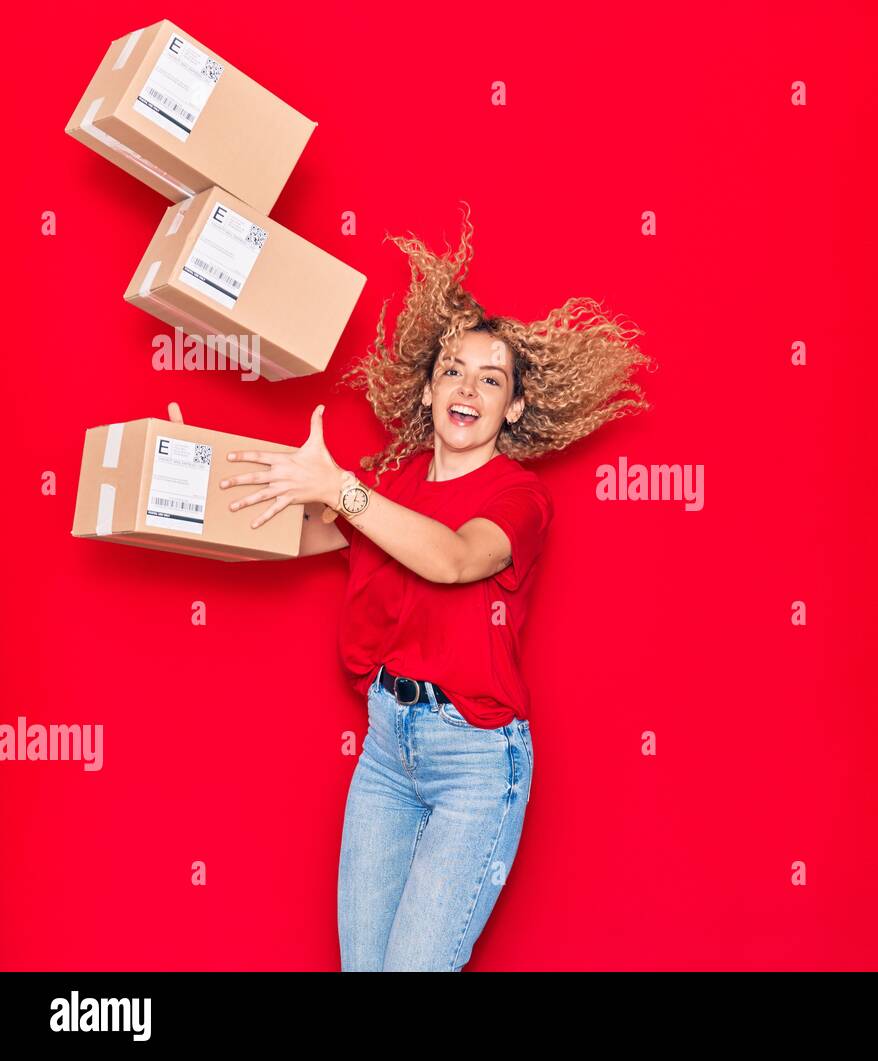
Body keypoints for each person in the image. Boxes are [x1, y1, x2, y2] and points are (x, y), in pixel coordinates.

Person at [169, 204, 654, 970]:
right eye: (452, 370)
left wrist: (343, 490)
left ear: (514, 407)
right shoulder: (388, 483)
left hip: (476, 761)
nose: (467, 387)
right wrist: (202, 492)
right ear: (426, 390)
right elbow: (296, 535)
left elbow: (456, 559)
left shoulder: (519, 498)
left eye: (490, 379)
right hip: (388, 748)